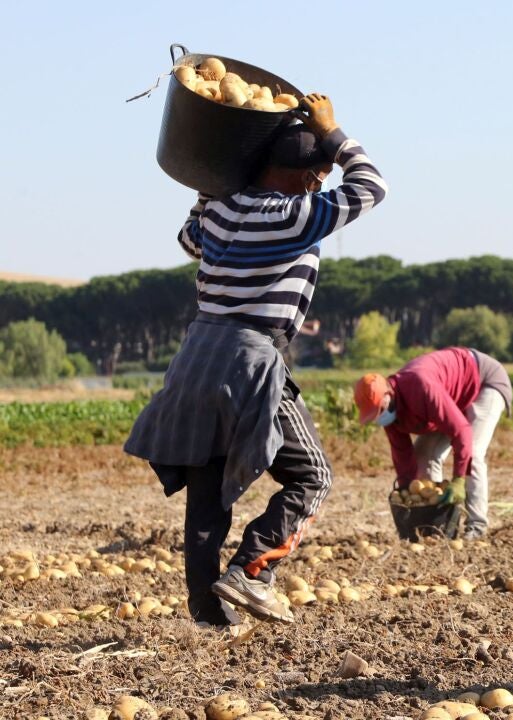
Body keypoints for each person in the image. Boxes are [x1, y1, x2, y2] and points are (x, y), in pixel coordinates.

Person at [124, 95, 388, 630]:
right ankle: (252, 569)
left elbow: (187, 238)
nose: (319, 185)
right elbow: (372, 188)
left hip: (196, 359)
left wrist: (211, 183)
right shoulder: (296, 217)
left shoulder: (221, 210)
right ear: (295, 176)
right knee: (311, 475)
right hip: (248, 360)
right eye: (314, 176)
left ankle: (207, 614)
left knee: (206, 498)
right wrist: (335, 136)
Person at [353, 347, 512, 540]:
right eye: (373, 415)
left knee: (473, 453)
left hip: (484, 382)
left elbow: (461, 431)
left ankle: (476, 527)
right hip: (453, 397)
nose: (378, 417)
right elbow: (402, 452)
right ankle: (437, 525)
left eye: (379, 410)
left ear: (388, 393)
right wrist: (406, 489)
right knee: (423, 457)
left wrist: (458, 479)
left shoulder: (420, 387)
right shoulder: (390, 415)